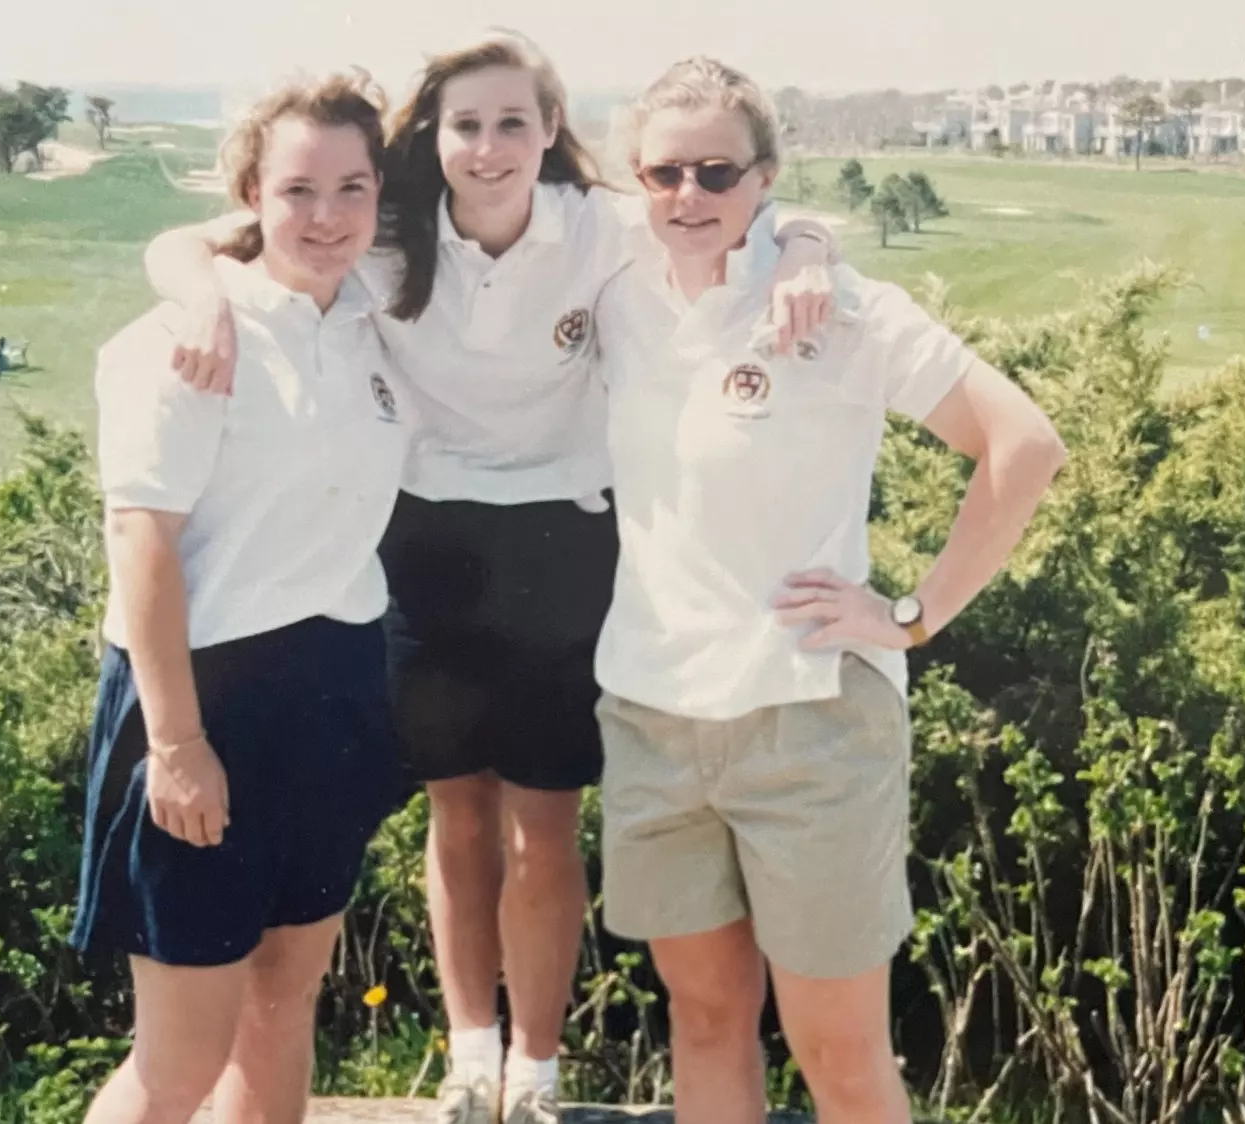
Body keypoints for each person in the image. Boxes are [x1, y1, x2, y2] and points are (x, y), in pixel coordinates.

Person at [135, 31, 839, 1124]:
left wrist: (805, 255)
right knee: (455, 819)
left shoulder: (599, 229)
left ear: (550, 130)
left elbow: (757, 215)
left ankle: (536, 1066)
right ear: (434, 137)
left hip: (563, 539)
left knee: (542, 824)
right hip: (421, 542)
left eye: (514, 121)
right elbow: (192, 243)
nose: (489, 145)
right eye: (465, 124)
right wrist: (195, 301)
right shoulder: (383, 233)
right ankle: (471, 1053)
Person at [590, 59, 1068, 1124]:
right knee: (703, 1018)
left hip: (809, 724)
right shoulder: (615, 282)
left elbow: (1023, 445)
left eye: (717, 170)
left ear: (762, 176)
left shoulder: (838, 309)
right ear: (634, 177)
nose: (688, 195)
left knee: (836, 1048)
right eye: (664, 171)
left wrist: (910, 615)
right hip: (652, 716)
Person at [70, 72, 410, 1124]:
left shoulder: (371, 310)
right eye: (297, 188)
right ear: (250, 194)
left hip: (334, 691)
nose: (325, 216)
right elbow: (140, 540)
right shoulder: (184, 340)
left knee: (283, 1002)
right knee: (178, 1058)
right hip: (201, 702)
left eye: (351, 188)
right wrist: (175, 744)